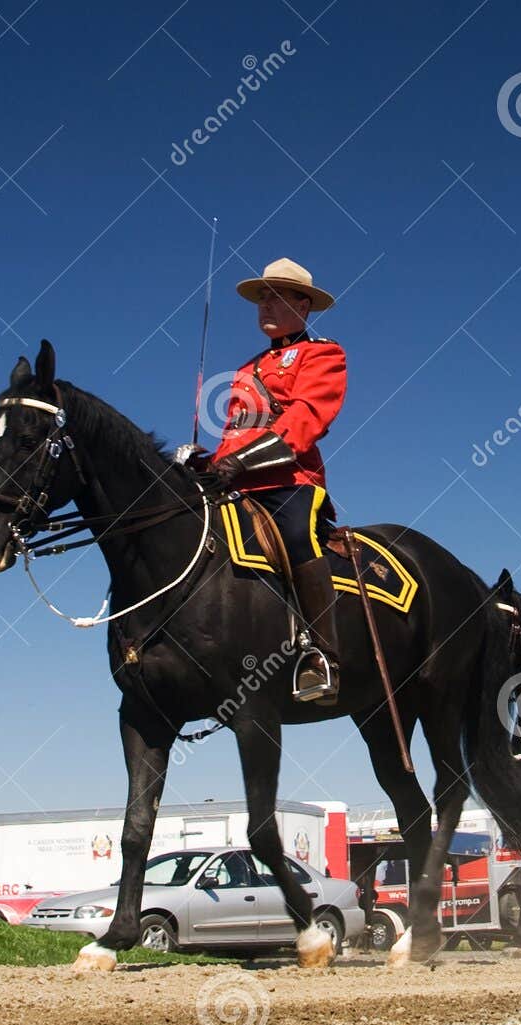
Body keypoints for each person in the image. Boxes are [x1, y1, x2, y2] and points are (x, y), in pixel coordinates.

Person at [185, 257, 345, 705]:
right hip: (237, 486)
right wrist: (208, 466)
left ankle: (322, 657)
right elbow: (235, 433)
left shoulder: (323, 354)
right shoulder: (245, 370)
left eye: (276, 296)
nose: (265, 306)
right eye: (262, 298)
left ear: (303, 304)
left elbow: (306, 419)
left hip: (290, 480)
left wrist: (241, 464)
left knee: (296, 535)